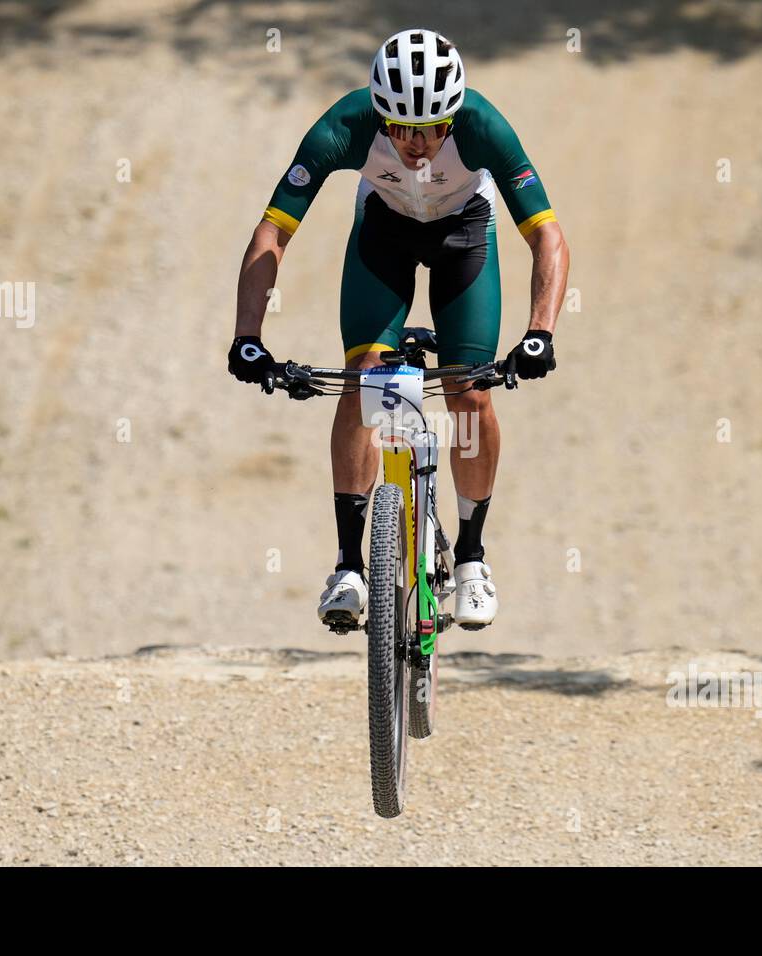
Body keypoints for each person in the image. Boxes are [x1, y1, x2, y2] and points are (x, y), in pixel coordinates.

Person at [228, 28, 569, 631]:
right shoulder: (345, 125)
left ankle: (471, 557)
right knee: (363, 379)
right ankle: (349, 567)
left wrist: (540, 331)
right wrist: (248, 336)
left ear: (453, 116)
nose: (416, 143)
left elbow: (546, 235)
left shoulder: (485, 126)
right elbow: (272, 232)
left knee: (468, 391)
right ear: (380, 114)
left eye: (433, 127)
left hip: (465, 235)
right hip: (381, 235)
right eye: (402, 127)